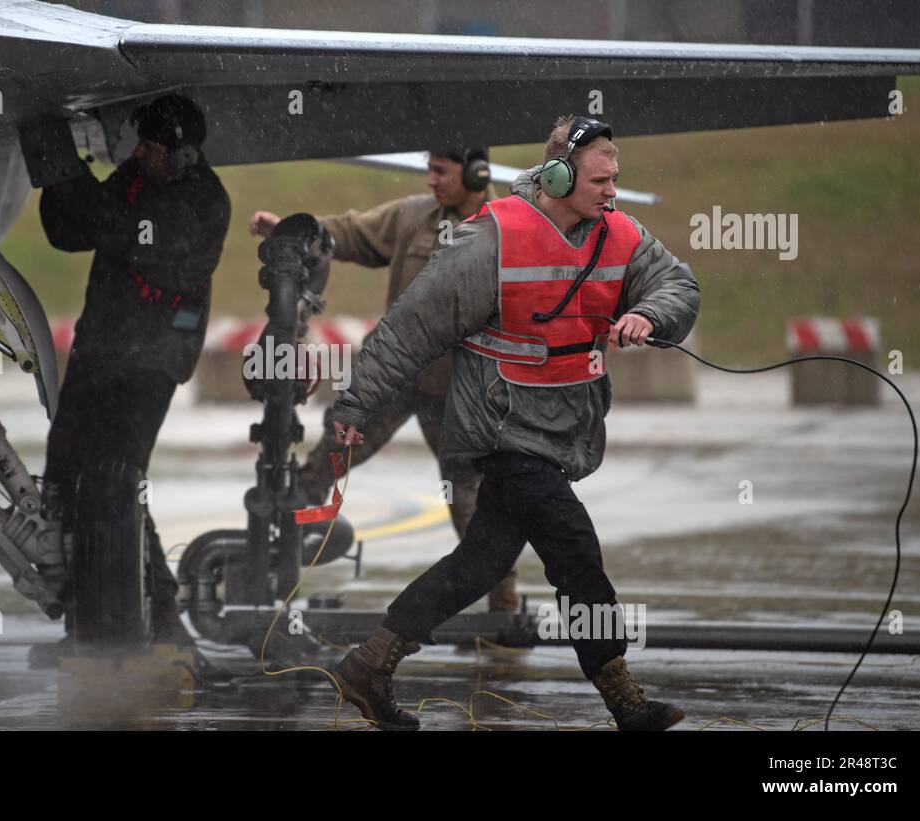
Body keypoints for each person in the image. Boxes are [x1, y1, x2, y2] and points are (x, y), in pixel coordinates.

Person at [326, 116, 700, 731]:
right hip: (504, 434)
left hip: (559, 437)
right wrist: (354, 406)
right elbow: (410, 328)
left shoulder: (621, 234)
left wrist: (650, 315)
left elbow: (677, 285)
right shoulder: (492, 240)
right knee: (577, 554)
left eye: (617, 179)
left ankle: (369, 666)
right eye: (602, 180)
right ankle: (625, 703)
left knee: (480, 564)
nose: (613, 192)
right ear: (557, 175)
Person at [249, 148, 521, 611]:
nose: (431, 180)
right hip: (393, 378)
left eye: (441, 171)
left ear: (476, 172)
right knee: (325, 463)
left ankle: (503, 605)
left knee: (471, 500)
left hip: (461, 390)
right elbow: (352, 233)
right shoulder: (413, 217)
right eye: (429, 169)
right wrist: (296, 231)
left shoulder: (507, 229)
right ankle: (277, 572)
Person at [37, 94, 231, 647]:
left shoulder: (203, 202)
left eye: (152, 147)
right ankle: (89, 612)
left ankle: (161, 616)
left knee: (116, 481)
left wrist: (63, 162)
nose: (142, 155)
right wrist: (56, 178)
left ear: (185, 154)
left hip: (150, 362)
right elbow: (71, 232)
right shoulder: (137, 178)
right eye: (140, 145)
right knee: (67, 474)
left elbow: (118, 229)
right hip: (102, 350)